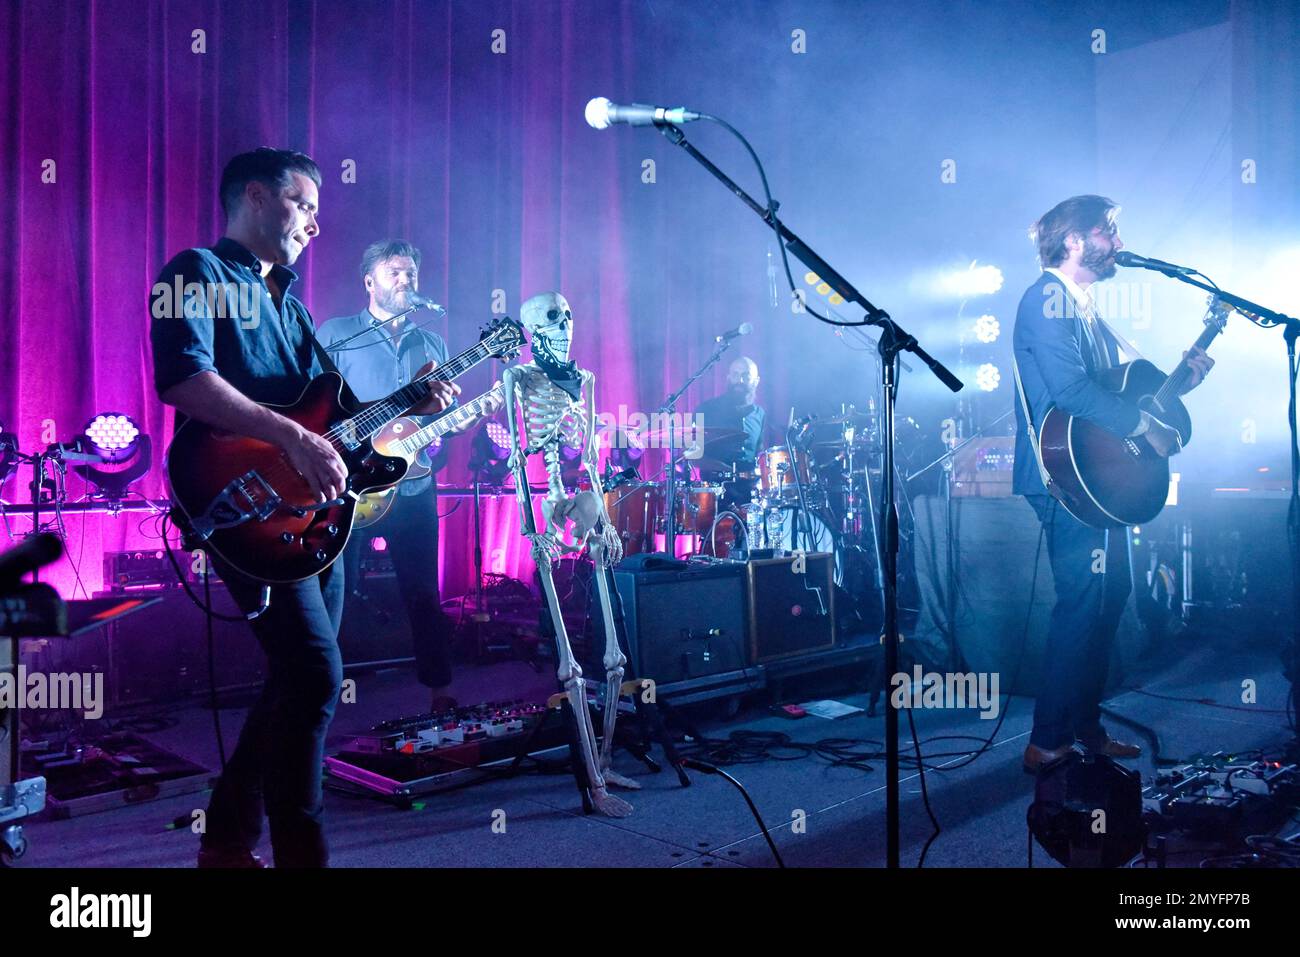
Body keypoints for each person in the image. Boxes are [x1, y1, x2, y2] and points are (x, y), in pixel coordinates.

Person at [150, 149, 456, 867]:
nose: (316, 223)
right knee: (318, 675)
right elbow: (183, 378)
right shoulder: (198, 272)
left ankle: (226, 838)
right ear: (254, 196)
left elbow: (333, 418)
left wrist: (413, 401)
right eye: (304, 203)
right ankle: (300, 854)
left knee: (297, 678)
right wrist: (288, 435)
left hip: (316, 517)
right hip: (242, 503)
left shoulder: (291, 303)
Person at [1013, 195, 1213, 773]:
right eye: (1109, 231)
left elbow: (1118, 396)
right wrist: (1145, 426)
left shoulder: (1083, 306)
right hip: (1067, 475)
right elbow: (1073, 394)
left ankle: (1084, 728)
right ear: (1074, 241)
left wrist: (1178, 386)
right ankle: (1047, 741)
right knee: (1084, 602)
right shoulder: (1046, 298)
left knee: (1108, 598)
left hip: (1099, 474)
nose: (1119, 242)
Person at [317, 240, 500, 710]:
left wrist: (444, 436)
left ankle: (440, 691)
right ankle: (318, 692)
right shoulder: (338, 334)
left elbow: (437, 423)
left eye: (412, 274)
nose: (406, 281)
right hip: (351, 483)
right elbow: (316, 407)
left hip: (413, 486)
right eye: (395, 273)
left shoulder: (432, 343)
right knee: (333, 591)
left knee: (423, 590)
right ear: (370, 282)